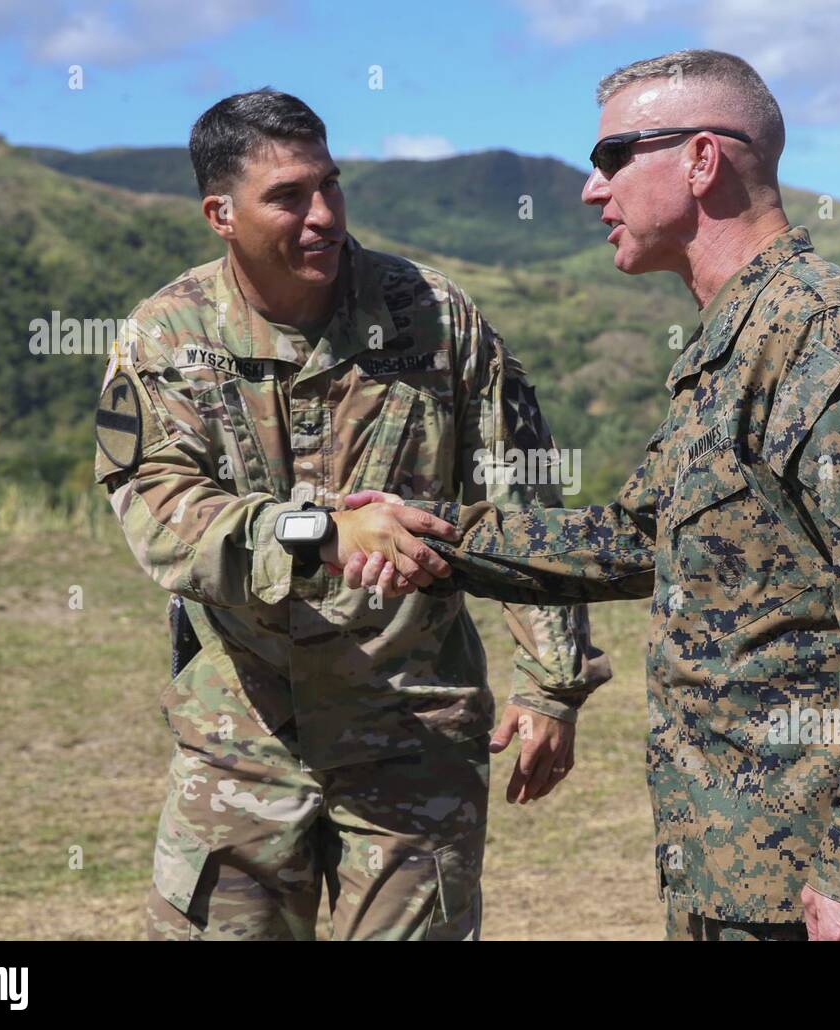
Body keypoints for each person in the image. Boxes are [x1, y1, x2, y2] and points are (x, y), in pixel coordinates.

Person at [328, 50, 840, 941]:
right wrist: (429, 535)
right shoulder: (736, 343)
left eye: (612, 158)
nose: (591, 190)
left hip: (817, 886)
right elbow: (637, 537)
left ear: (702, 159)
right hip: (735, 869)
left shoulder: (831, 340)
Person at [93, 88, 608, 940]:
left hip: (413, 731)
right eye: (288, 196)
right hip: (242, 739)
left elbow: (521, 496)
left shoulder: (433, 316)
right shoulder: (166, 338)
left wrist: (553, 684)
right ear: (221, 214)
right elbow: (165, 517)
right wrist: (321, 533)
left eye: (330, 184)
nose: (324, 215)